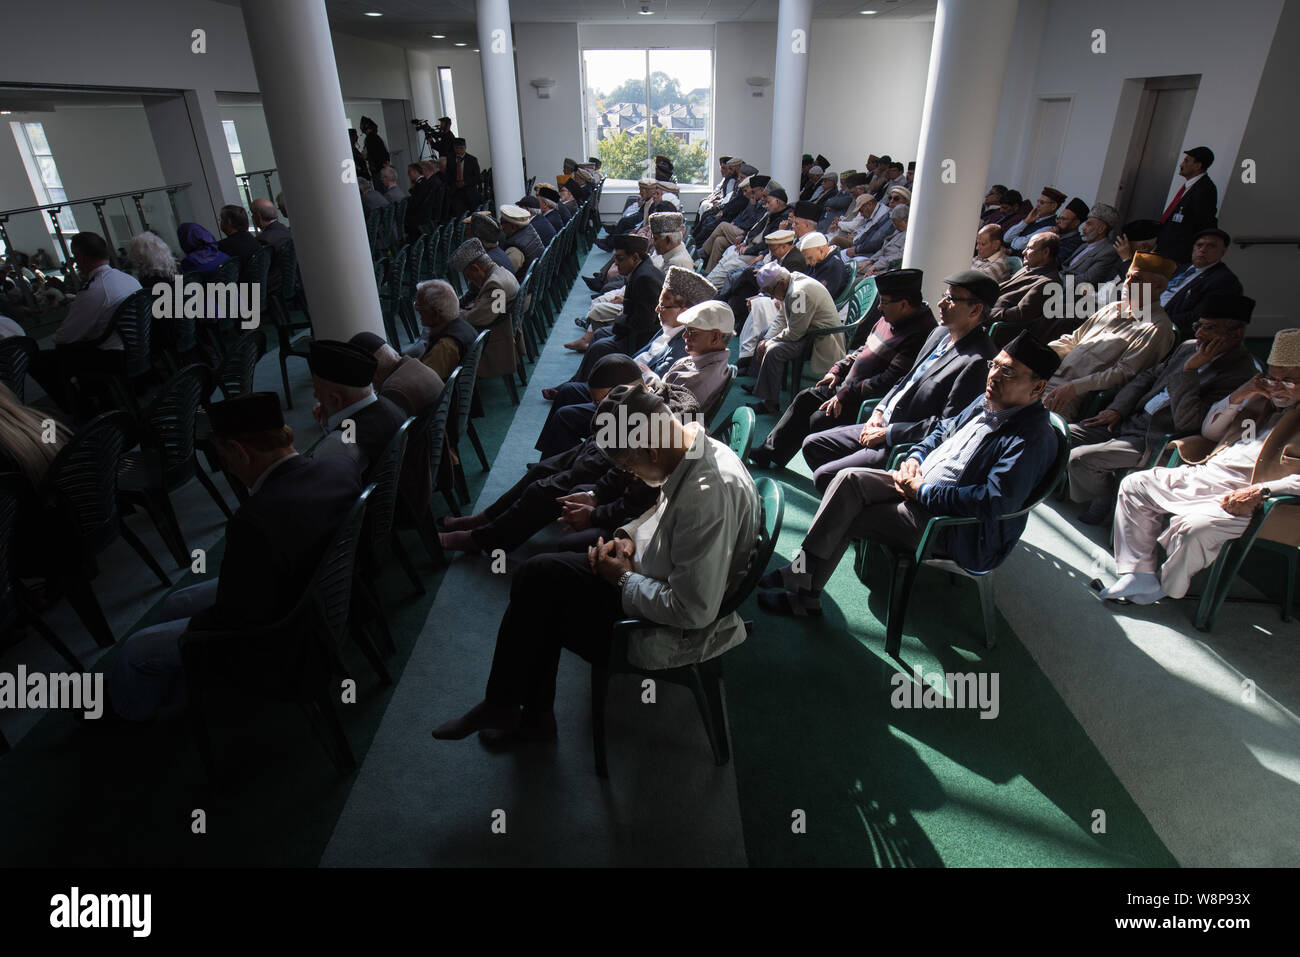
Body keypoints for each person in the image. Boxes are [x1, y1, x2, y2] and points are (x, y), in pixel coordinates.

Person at [431, 384, 758, 746]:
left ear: (650, 448)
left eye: (628, 466)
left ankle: (518, 712)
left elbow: (692, 611)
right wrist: (628, 536)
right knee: (536, 575)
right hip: (657, 572)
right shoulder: (692, 444)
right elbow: (662, 517)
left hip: (668, 626)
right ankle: (509, 707)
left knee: (540, 601)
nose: (631, 476)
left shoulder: (705, 498)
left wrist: (622, 578)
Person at [758, 332, 1062, 617]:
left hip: (952, 525)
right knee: (847, 479)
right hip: (915, 485)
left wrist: (923, 492)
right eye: (994, 365)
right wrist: (915, 458)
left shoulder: (1032, 438)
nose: (994, 375)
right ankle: (801, 578)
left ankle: (803, 591)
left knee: (844, 513)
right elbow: (942, 430)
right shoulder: (988, 401)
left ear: (1037, 387)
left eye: (1008, 372)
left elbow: (993, 502)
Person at [107, 392, 361, 722]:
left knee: (134, 651)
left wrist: (194, 637)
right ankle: (168, 682)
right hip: (314, 593)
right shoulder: (339, 467)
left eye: (224, 457)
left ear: (239, 451)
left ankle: (132, 719)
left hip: (282, 638)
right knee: (178, 602)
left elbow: (236, 617)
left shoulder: (254, 521)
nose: (226, 466)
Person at [1102, 328, 1300, 605]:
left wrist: (1261, 491)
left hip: (1251, 498)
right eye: (1272, 378)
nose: (1276, 387)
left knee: (1194, 528)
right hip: (1210, 475)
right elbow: (1210, 432)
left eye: (1288, 381)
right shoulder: (1259, 398)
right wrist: (1239, 396)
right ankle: (1139, 574)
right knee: (1136, 485)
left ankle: (1166, 586)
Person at [801, 270, 998, 493]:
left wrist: (888, 433)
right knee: (813, 445)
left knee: (825, 476)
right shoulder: (940, 333)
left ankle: (850, 503)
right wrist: (879, 410)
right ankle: (846, 498)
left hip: (901, 443)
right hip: (882, 421)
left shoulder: (978, 361)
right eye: (945, 295)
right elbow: (906, 380)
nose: (941, 303)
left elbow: (947, 426)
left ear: (976, 309)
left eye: (951, 299)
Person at [1068, 294, 1259, 523]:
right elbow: (1147, 377)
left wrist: (1189, 371)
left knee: (1081, 459)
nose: (1199, 334)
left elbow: (1189, 422)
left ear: (1235, 334)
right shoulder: (1189, 347)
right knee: (1060, 434)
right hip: (1129, 419)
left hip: (1157, 439)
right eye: (1199, 325)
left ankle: (1105, 500)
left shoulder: (1240, 374)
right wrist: (1118, 409)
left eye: (1209, 328)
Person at [750, 268, 936, 470]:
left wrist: (845, 394)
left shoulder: (918, 334)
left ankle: (827, 474)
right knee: (805, 399)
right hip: (848, 387)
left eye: (884, 302)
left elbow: (888, 382)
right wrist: (838, 369)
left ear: (904, 304)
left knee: (817, 419)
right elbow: (863, 349)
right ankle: (769, 452)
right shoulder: (891, 317)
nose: (880, 307)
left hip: (864, 398)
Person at [1041, 252, 1178, 421]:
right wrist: (1036, 356)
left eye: (1136, 279)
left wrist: (1075, 387)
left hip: (1074, 394)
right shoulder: (1113, 308)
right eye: (1127, 277)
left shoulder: (1157, 327)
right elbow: (1073, 340)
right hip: (1049, 375)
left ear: (1158, 287)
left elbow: (1124, 373)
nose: (1127, 283)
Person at [27, 231, 142, 415]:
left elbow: (65, 337)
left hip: (114, 358)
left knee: (42, 360)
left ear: (80, 257)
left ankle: (83, 413)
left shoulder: (94, 290)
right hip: (139, 348)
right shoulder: (129, 279)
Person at [744, 263, 845, 415]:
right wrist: (767, 338)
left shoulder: (798, 293)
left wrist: (769, 342)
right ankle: (762, 385)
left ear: (780, 283)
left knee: (773, 350)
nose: (771, 296)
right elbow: (782, 319)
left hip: (820, 339)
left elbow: (796, 332)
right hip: (807, 332)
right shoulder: (789, 281)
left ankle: (770, 403)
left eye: (770, 291)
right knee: (765, 334)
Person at [309, 339, 406, 477]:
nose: (315, 395)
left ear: (335, 399)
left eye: (317, 392)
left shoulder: (339, 443)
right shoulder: (389, 404)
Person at [447, 239, 520, 384]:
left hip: (496, 341)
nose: (470, 280)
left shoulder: (496, 284)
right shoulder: (501, 272)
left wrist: (452, 313)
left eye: (469, 275)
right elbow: (491, 310)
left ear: (476, 268)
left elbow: (480, 318)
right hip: (504, 331)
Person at [1160, 228, 1243, 339]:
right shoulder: (1180, 268)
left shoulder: (1224, 280)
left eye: (1211, 246)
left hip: (1170, 330)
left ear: (1223, 252)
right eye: (1199, 245)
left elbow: (1198, 317)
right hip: (1146, 318)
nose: (1203, 250)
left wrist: (1155, 319)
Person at [987, 231, 1063, 346]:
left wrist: (987, 313)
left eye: (1030, 248)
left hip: (995, 326)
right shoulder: (1028, 268)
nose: (1023, 252)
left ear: (1046, 252)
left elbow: (1020, 314)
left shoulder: (1049, 282)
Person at [403, 278, 477, 381]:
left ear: (435, 313)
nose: (418, 311)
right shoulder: (462, 326)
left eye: (419, 307)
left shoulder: (445, 346)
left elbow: (422, 381)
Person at [1156, 146, 1218, 265]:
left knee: (1156, 283)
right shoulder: (1190, 186)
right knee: (1148, 282)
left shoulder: (1204, 189)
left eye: (1186, 161)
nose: (1181, 164)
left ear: (1197, 165)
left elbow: (1204, 222)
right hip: (1166, 250)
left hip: (1179, 255)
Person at [1060, 203, 1121, 286]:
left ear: (1101, 229)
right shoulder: (1084, 245)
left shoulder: (1109, 251)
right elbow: (1065, 266)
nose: (1083, 228)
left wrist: (1058, 281)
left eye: (1089, 224)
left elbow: (1089, 279)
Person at [216, 205, 260, 271]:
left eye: (221, 219)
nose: (220, 222)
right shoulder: (252, 239)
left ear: (228, 222)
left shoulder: (222, 246)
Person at [449, 138, 483, 215]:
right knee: (459, 215)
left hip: (470, 192)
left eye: (461, 148)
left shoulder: (472, 159)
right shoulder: (450, 159)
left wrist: (465, 183)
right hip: (456, 192)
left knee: (473, 215)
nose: (459, 150)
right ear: (454, 148)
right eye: (457, 148)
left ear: (465, 148)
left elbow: (478, 177)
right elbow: (449, 175)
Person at [360, 116, 389, 182]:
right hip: (382, 168)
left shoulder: (369, 139)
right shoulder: (377, 137)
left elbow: (365, 154)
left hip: (377, 170)